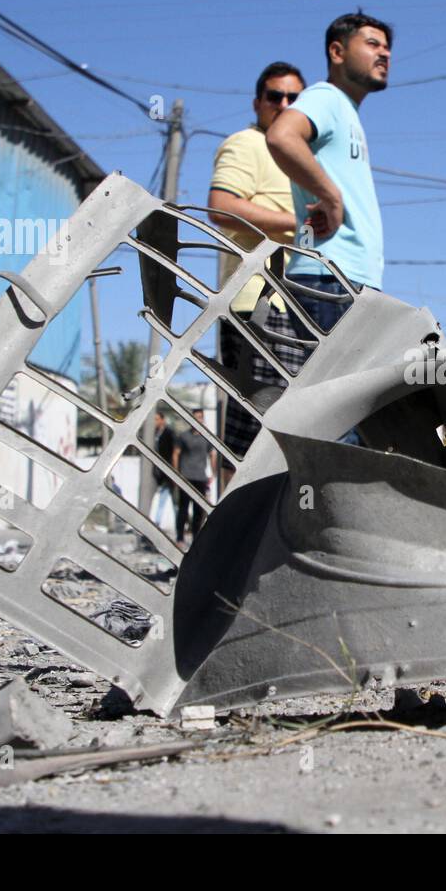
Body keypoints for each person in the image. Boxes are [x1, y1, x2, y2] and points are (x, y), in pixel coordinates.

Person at [208, 62, 307, 475]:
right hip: (258, 306)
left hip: (296, 307)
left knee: (287, 428)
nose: (283, 104)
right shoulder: (248, 144)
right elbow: (221, 206)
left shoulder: (301, 159)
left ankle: (257, 534)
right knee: (257, 432)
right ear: (257, 103)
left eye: (293, 99)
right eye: (274, 96)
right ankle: (236, 535)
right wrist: (295, 221)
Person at [266, 10, 391, 336]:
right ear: (337, 52)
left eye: (387, 48)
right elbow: (282, 136)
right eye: (373, 44)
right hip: (329, 278)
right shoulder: (327, 98)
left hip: (344, 280)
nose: (384, 53)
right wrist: (331, 196)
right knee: (336, 386)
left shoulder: (345, 109)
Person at [173, 408, 213, 546]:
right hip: (186, 477)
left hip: (201, 477)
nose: (198, 420)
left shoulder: (207, 437)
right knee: (183, 508)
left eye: (200, 417)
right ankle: (179, 538)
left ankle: (196, 538)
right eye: (195, 417)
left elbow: (212, 454)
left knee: (198, 510)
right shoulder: (183, 436)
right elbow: (176, 453)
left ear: (203, 419)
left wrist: (212, 474)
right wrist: (177, 473)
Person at [150, 411, 178, 528]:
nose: (155, 422)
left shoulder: (169, 433)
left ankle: (177, 524)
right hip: (160, 473)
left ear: (162, 420)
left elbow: (174, 453)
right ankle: (158, 522)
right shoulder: (155, 434)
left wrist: (174, 471)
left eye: (157, 419)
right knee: (164, 499)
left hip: (169, 471)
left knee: (174, 502)